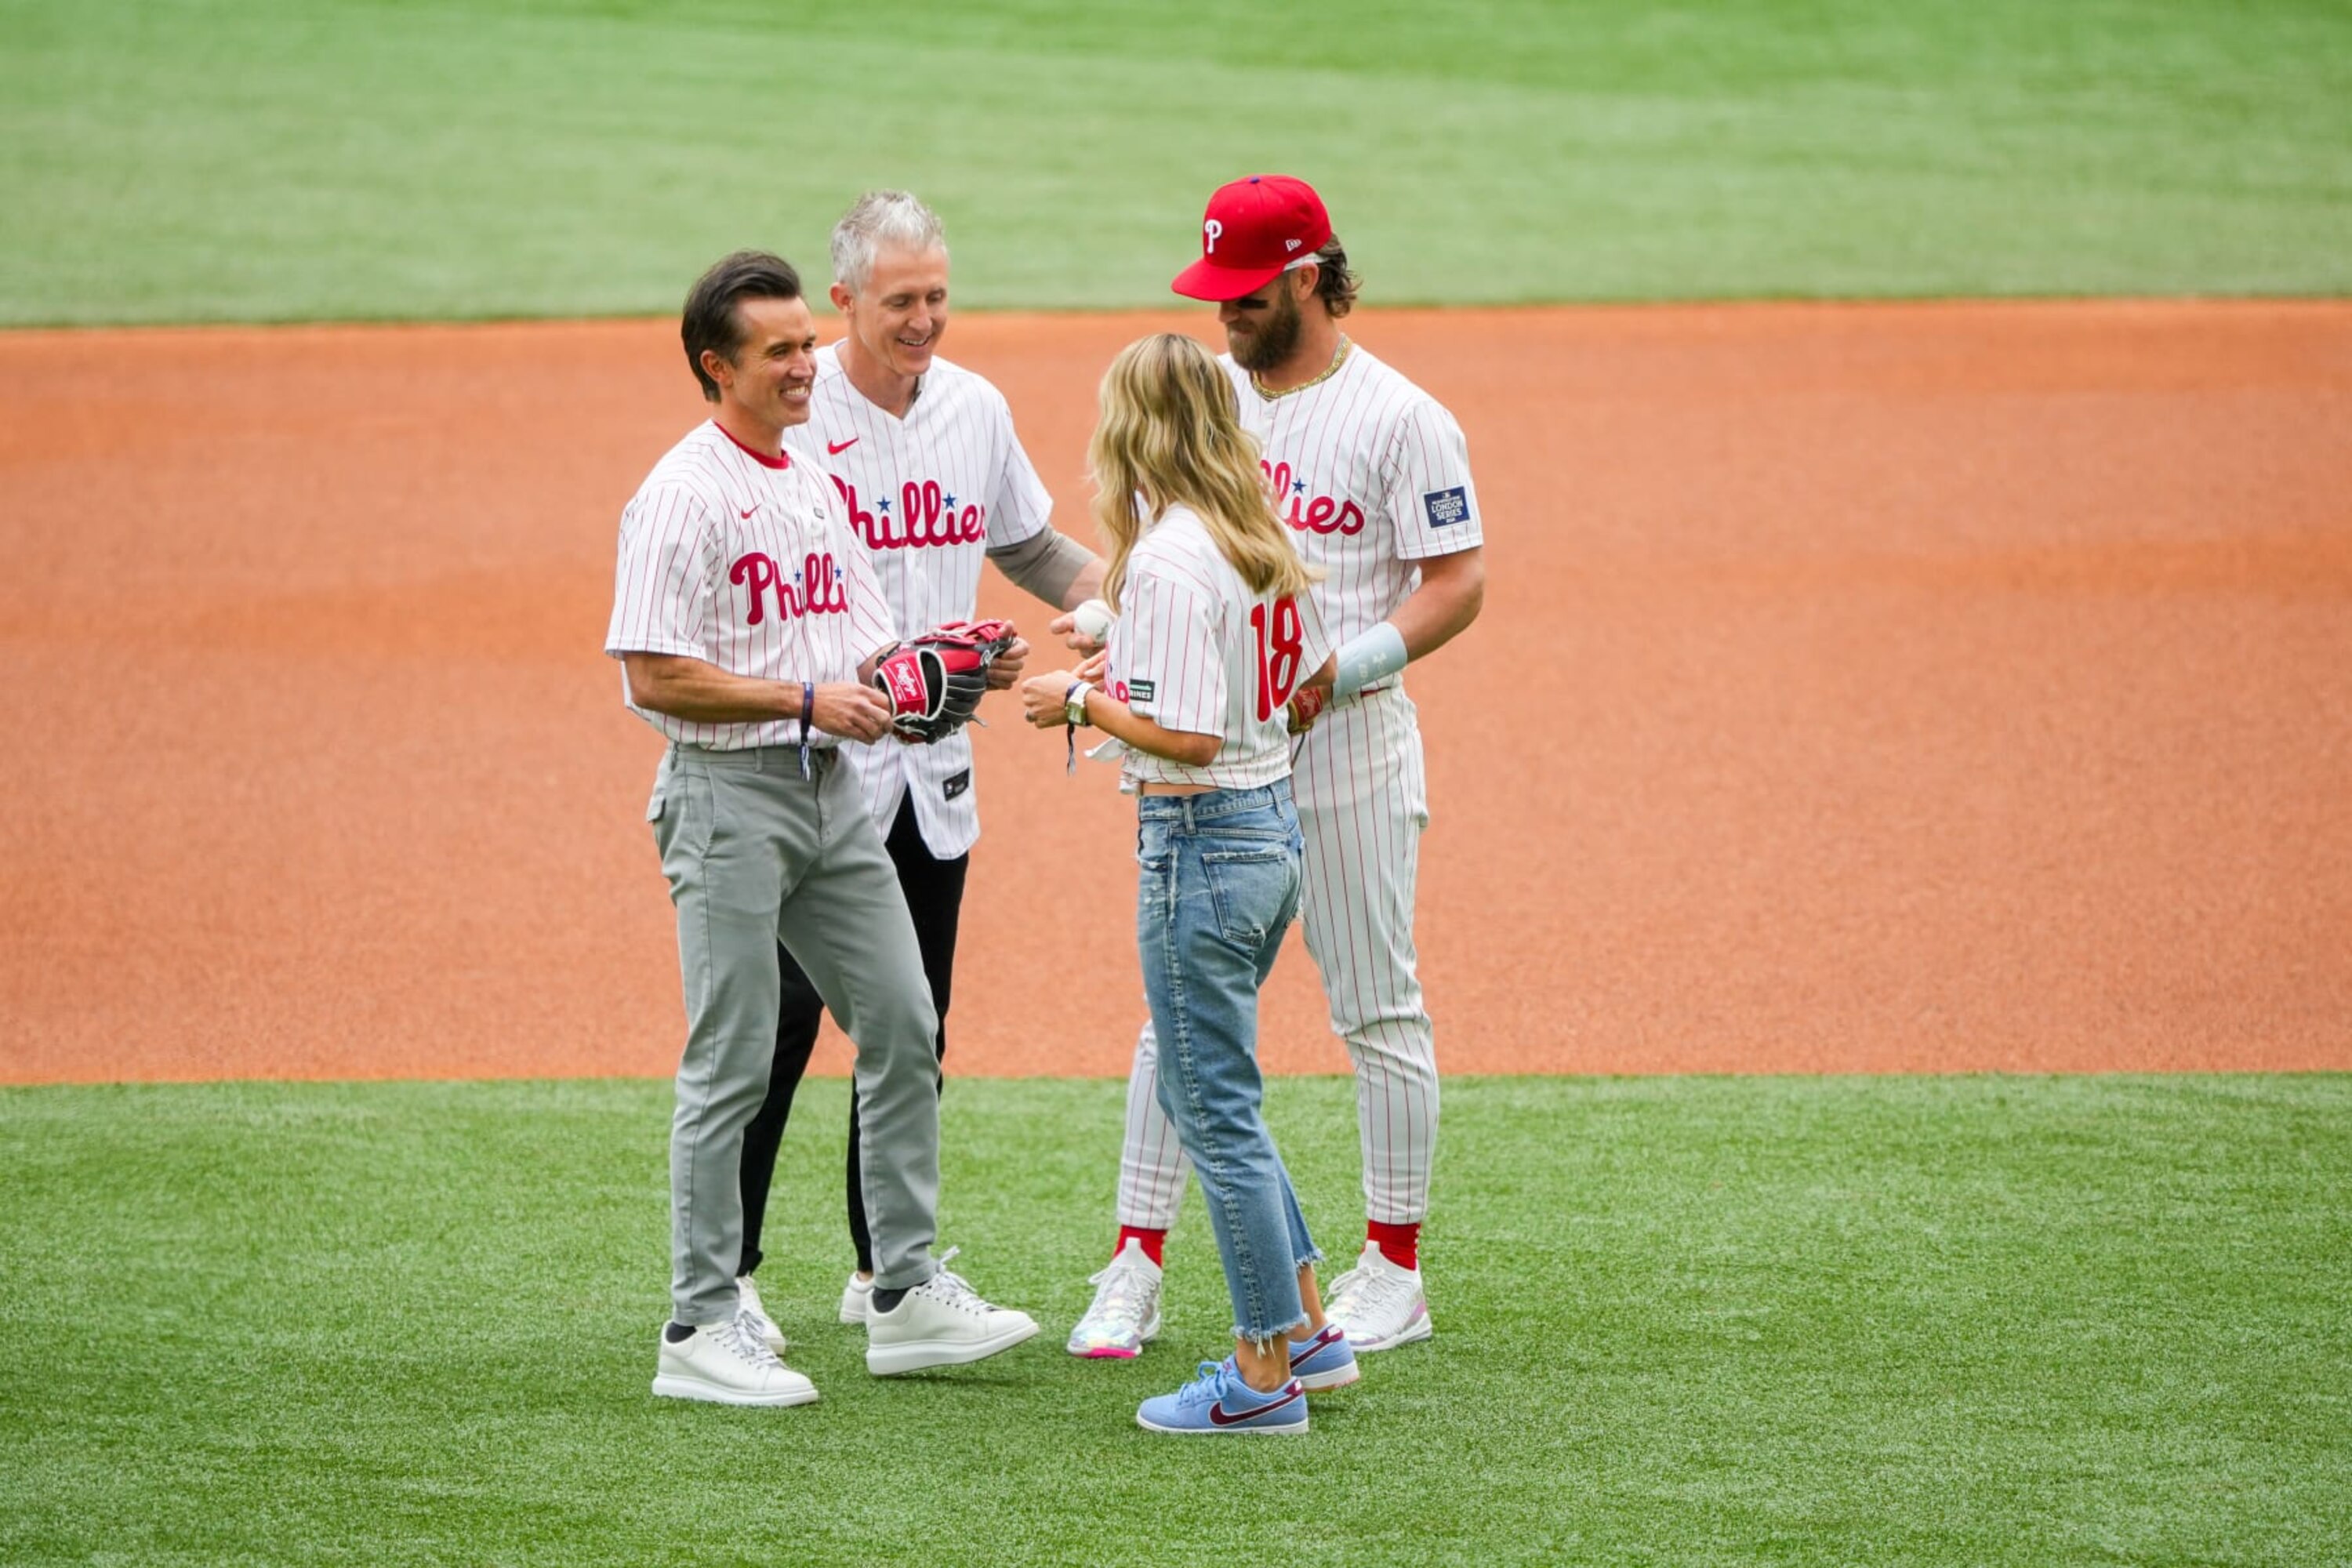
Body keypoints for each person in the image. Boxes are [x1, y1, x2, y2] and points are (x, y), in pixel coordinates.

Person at [1060, 175, 1486, 1359]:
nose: (1226, 314)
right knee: (1181, 1016)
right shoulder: (1212, 402)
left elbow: (1457, 581)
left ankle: (1392, 1270)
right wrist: (1114, 632)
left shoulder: (1402, 417)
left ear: (1308, 276)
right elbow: (1172, 563)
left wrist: (1344, 668)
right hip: (1223, 761)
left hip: (1348, 748)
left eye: (1246, 294)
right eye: (1217, 293)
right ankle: (1135, 1261)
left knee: (1375, 1003)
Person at [604, 249, 1038, 1406]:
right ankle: (701, 1322)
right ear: (718, 367)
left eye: (806, 344)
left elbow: (861, 643)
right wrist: (804, 701)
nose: (807, 366)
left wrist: (947, 666)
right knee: (735, 1053)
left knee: (903, 1020)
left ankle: (902, 1291)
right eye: (780, 351)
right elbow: (652, 674)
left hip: (832, 793)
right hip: (728, 799)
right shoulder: (681, 495)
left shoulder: (806, 475)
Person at [726, 192, 1107, 1341]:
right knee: (780, 1022)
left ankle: (881, 1269)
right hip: (811, 767)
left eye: (937, 296)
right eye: (901, 300)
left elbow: (1028, 546)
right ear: (844, 298)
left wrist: (1142, 592)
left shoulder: (974, 408)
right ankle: (727, 1277)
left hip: (932, 776)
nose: (923, 320)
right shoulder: (798, 415)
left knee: (913, 1024)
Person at [1019, 332, 1356, 1434]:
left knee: (1215, 1112)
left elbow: (1190, 738)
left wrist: (1079, 701)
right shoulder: (1257, 529)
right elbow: (1295, 672)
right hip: (1270, 835)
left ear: (1137, 430)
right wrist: (1123, 647)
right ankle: (1312, 1328)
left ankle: (1263, 1375)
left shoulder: (1169, 556)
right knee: (1209, 1092)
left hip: (1202, 845)